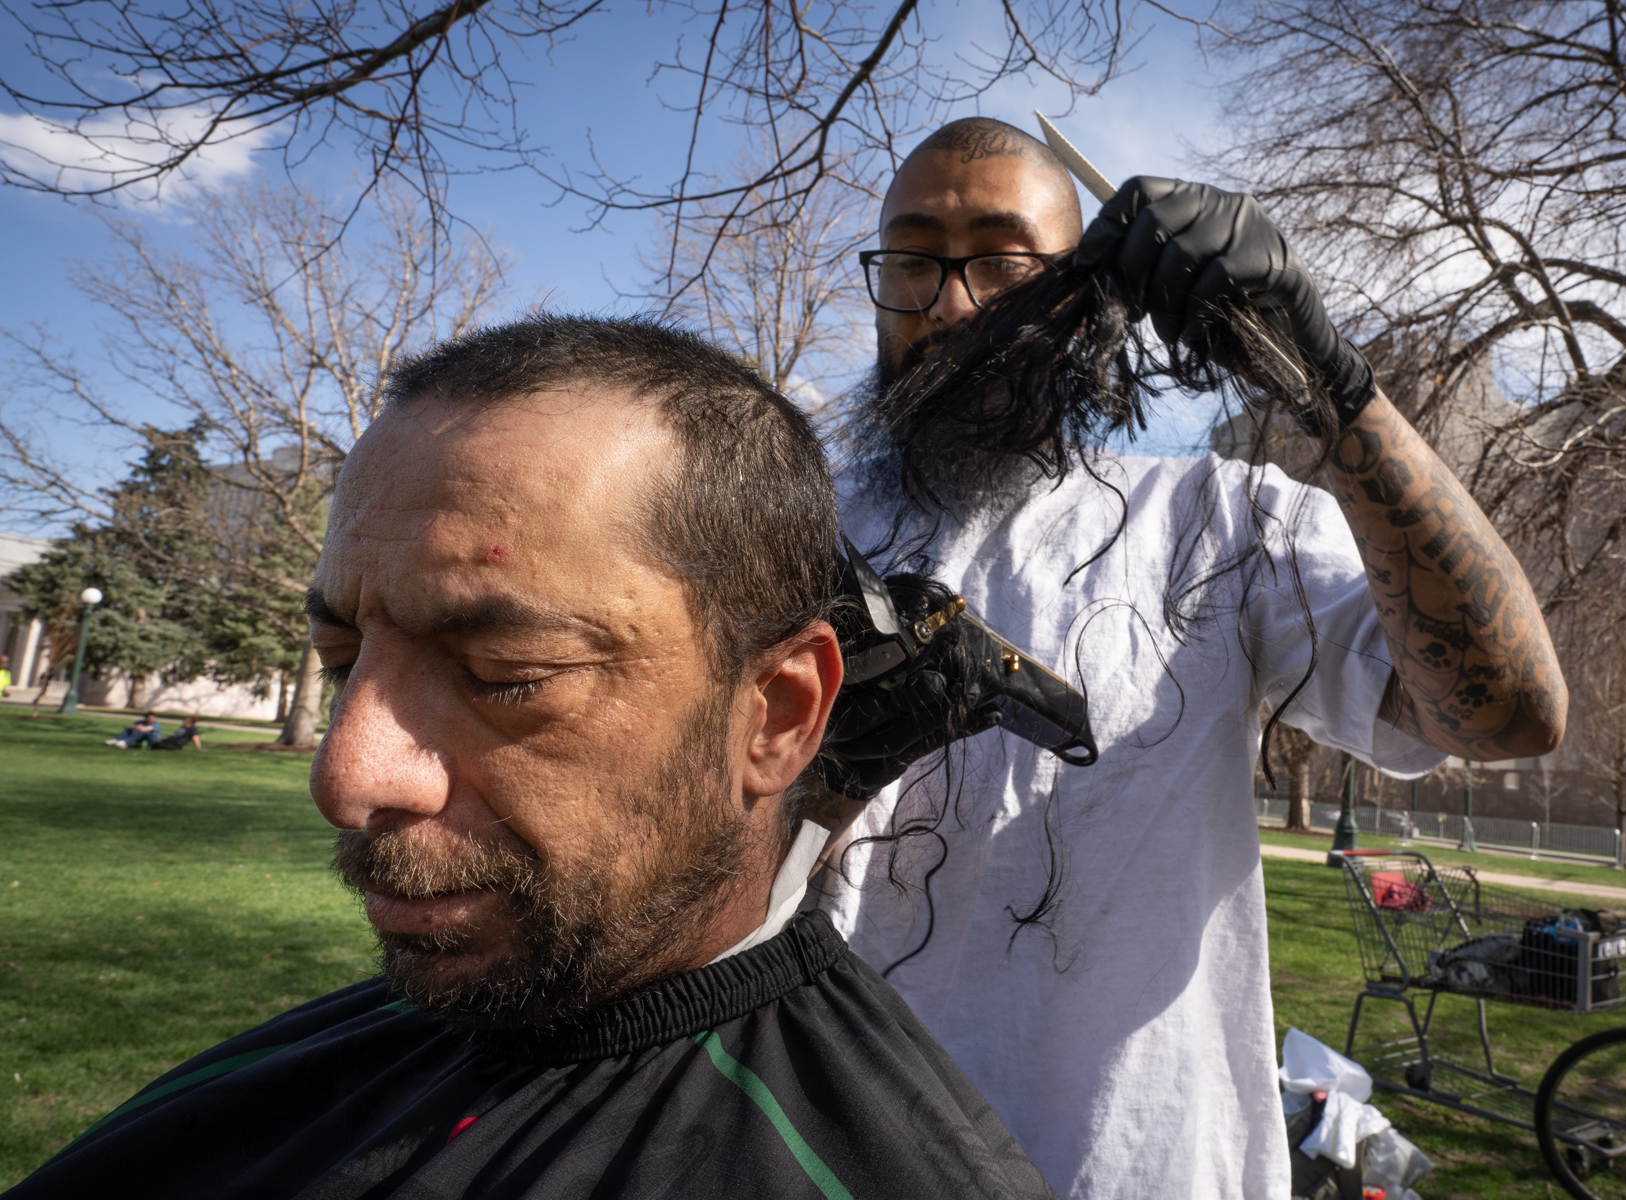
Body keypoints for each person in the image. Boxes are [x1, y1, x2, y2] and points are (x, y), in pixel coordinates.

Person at [8, 316, 1057, 1200]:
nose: (345, 777)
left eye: (506, 674)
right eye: (341, 661)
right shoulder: (296, 1076)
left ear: (778, 715)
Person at [813, 118, 1568, 1199]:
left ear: (1080, 297)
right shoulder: (787, 534)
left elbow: (1510, 715)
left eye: (999, 259)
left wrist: (1327, 378)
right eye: (912, 259)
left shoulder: (1220, 525)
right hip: (828, 1160)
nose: (950, 302)